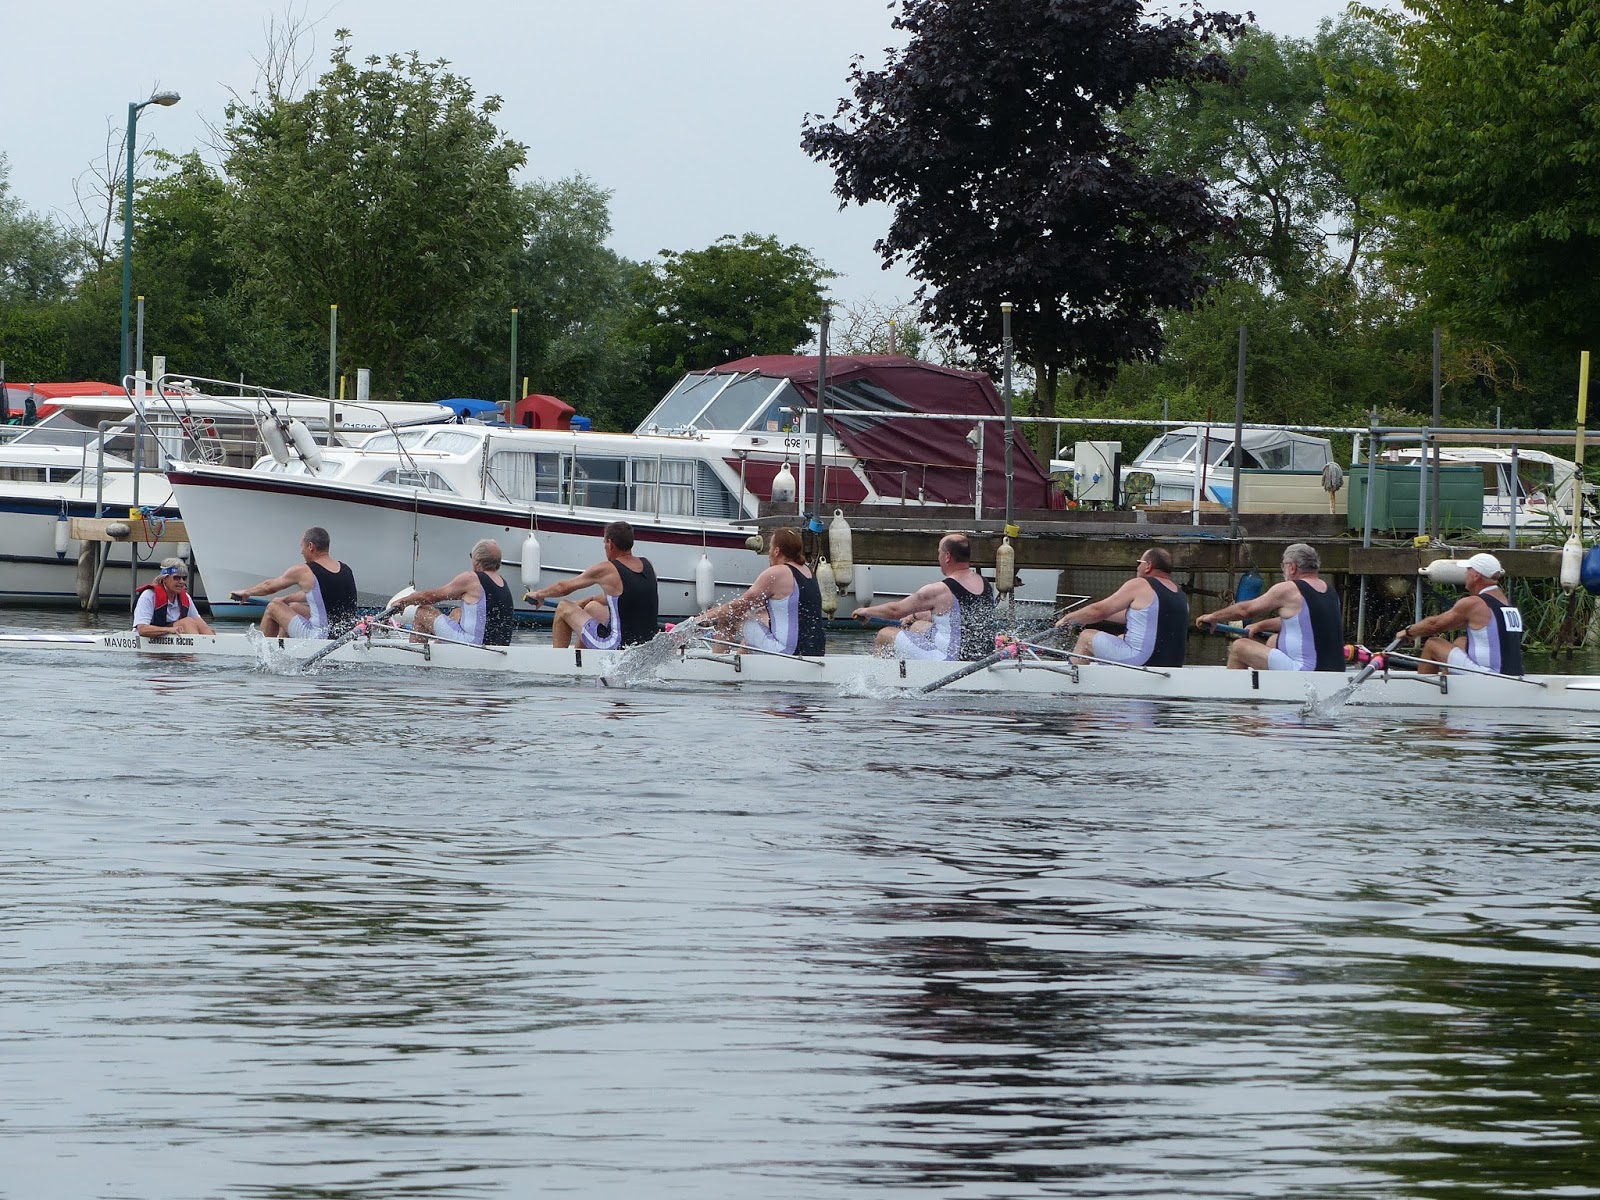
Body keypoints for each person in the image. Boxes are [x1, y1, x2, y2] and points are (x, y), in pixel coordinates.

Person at [1196, 542, 1344, 671]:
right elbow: (1302, 621)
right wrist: (1260, 626)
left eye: (1283, 566)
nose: (1283, 570)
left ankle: (1234, 694)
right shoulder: (1329, 590)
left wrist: (1214, 617)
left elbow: (1245, 610)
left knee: (1239, 647)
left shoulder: (1289, 589)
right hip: (1335, 669)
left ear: (1292, 567)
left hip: (1305, 671)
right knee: (1273, 640)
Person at [851, 531, 996, 660]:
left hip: (952, 660)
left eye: (939, 552)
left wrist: (866, 611)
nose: (938, 557)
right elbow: (958, 616)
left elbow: (896, 610)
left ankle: (881, 680)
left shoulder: (940, 590)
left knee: (885, 634)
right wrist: (915, 616)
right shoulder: (984, 584)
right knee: (917, 626)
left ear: (947, 556)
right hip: (981, 657)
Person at [526, 520, 659, 649]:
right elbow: (626, 597)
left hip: (616, 645)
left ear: (610, 543)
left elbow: (563, 587)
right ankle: (579, 657)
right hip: (645, 644)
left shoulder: (607, 569)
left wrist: (539, 594)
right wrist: (584, 602)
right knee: (592, 607)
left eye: (604, 543)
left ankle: (558, 661)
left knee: (563, 608)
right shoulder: (648, 565)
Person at [699, 527, 825, 656]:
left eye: (770, 547)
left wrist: (698, 620)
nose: (769, 552)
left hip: (788, 652)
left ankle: (719, 664)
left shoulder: (777, 572)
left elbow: (736, 607)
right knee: (757, 615)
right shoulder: (807, 571)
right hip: (816, 651)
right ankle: (739, 660)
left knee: (729, 616)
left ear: (776, 551)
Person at [1057, 547, 1188, 667]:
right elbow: (1129, 616)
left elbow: (1099, 611)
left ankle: (1070, 679)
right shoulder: (1179, 593)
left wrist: (1068, 618)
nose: (1137, 568)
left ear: (1148, 566)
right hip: (1174, 663)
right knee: (1121, 637)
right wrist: (1083, 617)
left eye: (1139, 563)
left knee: (1086, 637)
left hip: (1144, 661)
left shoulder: (1141, 584)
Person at [1403, 551, 1524, 676]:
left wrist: (1408, 632)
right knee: (1461, 642)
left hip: (1490, 677)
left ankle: (1423, 687)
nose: (1465, 574)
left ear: (1476, 575)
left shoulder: (1474, 603)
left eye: (1468, 570)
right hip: (1514, 675)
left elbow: (1434, 624)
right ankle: (1447, 681)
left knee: (1432, 644)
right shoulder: (1505, 602)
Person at [228, 526, 359, 639]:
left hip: (320, 638)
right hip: (346, 636)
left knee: (273, 607)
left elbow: (269, 587)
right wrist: (285, 599)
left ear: (310, 546)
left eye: (302, 546)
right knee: (294, 607)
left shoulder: (304, 570)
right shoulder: (346, 569)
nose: (301, 551)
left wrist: (247, 592)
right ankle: (282, 647)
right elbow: (318, 594)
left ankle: (262, 653)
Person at [391, 539, 515, 647]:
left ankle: (416, 658)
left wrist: (404, 601)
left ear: (477, 561)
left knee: (422, 612)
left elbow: (431, 597)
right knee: (457, 612)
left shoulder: (471, 578)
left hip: (473, 645)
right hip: (498, 646)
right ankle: (438, 650)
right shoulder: (502, 582)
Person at [132, 558, 214, 638]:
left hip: (170, 633)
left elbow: (198, 621)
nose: (182, 582)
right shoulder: (149, 595)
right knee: (187, 622)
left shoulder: (186, 597)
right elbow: (142, 629)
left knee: (199, 624)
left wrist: (208, 633)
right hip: (148, 637)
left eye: (184, 578)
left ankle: (210, 643)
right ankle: (197, 645)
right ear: (164, 579)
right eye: (176, 578)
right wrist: (169, 630)